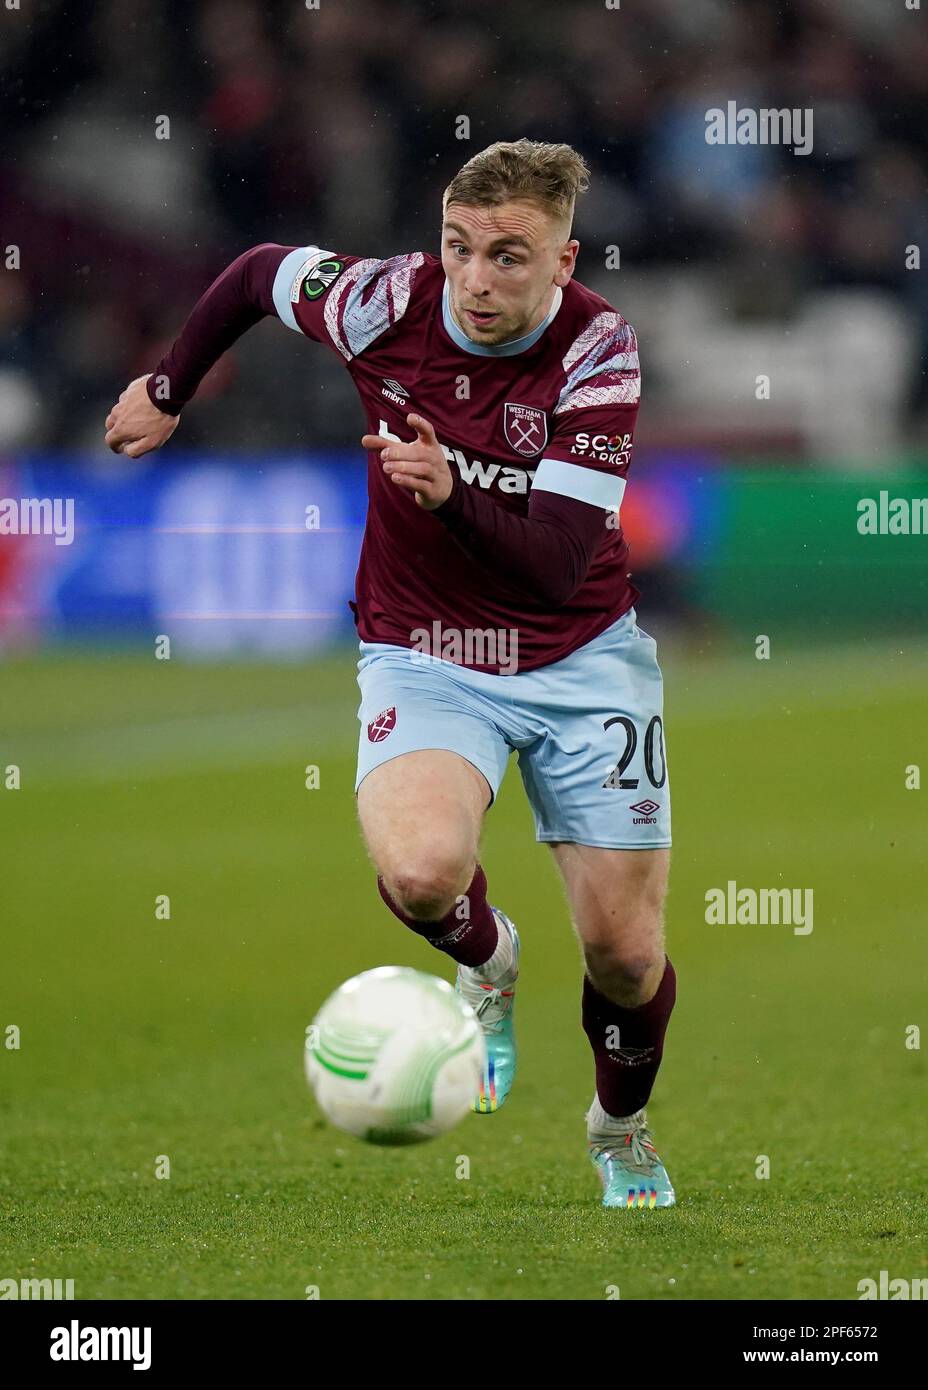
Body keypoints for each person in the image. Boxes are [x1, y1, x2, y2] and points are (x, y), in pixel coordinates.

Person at [105, 139, 677, 1209]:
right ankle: (489, 957)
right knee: (421, 875)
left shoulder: (599, 351)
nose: (475, 278)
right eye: (458, 247)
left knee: (625, 957)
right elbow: (257, 272)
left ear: (564, 259)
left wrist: (451, 495)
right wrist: (168, 385)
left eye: (510, 256)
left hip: (580, 657)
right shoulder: (385, 301)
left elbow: (557, 568)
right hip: (427, 650)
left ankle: (619, 1127)